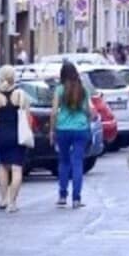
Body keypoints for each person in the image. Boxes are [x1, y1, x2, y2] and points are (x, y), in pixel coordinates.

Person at [0, 66, 31, 213]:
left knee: (3, 166)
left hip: (2, 135)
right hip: (17, 135)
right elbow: (27, 117)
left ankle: (3, 198)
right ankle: (13, 202)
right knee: (17, 168)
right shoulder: (20, 94)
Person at [53, 61, 94, 209]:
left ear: (62, 75)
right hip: (80, 129)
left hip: (63, 129)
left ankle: (62, 196)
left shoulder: (59, 90)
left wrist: (52, 131)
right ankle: (76, 199)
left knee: (63, 162)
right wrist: (88, 123)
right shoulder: (82, 90)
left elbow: (53, 112)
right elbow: (88, 111)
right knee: (77, 163)